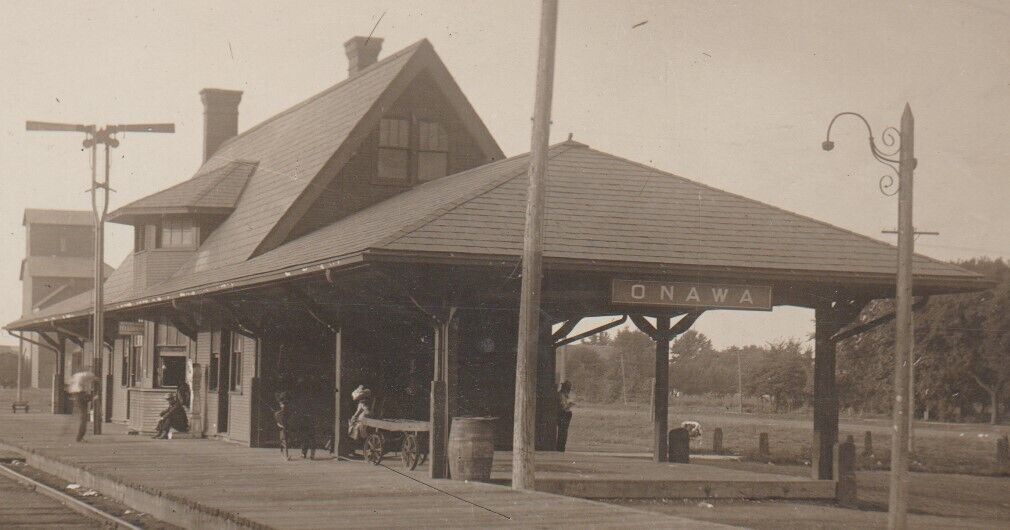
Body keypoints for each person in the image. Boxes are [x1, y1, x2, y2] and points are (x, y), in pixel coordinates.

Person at [67, 366, 97, 442]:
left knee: (82, 416)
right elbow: (90, 375)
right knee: (83, 417)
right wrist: (95, 378)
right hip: (80, 394)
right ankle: (80, 436)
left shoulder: (75, 376)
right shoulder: (83, 375)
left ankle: (80, 436)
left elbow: (70, 387)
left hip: (76, 395)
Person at [556, 380, 575, 452]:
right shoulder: (561, 395)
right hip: (563, 414)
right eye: (568, 388)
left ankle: (561, 447)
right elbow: (564, 407)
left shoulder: (563, 395)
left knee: (563, 432)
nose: (569, 390)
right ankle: (560, 448)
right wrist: (570, 404)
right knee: (563, 432)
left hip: (564, 414)